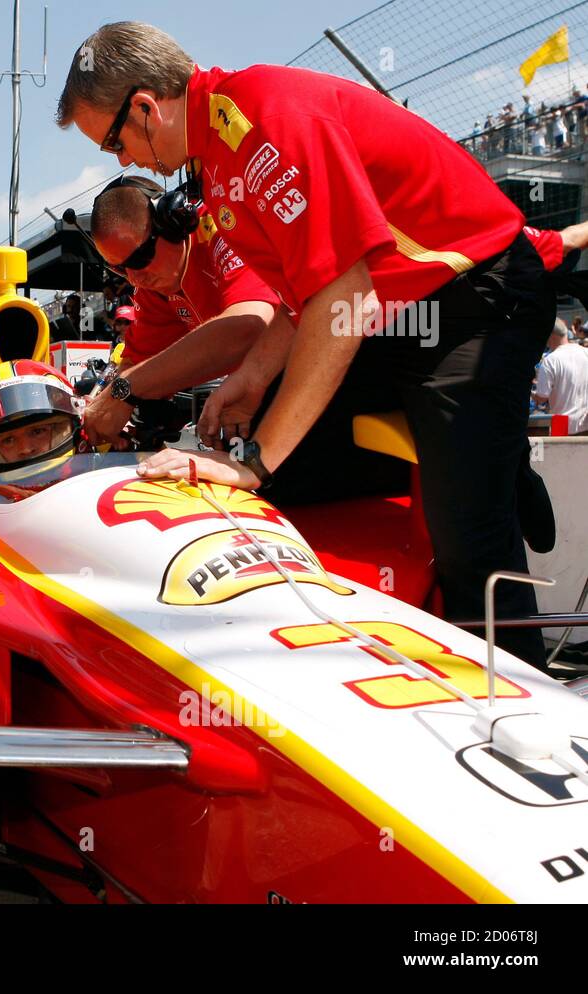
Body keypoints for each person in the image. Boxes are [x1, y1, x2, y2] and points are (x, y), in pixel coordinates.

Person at [56, 21, 554, 666]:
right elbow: (301, 300)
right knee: (286, 473)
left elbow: (343, 301)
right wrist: (254, 380)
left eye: (115, 143)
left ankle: (518, 705)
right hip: (396, 310)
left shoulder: (267, 117)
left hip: (480, 294)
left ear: (147, 106)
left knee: (470, 536)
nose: (125, 162)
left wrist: (253, 462)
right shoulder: (220, 156)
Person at [81, 175, 281, 447]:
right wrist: (101, 408)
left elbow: (250, 326)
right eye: (119, 269)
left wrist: (126, 389)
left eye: (141, 258)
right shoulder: (155, 288)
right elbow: (135, 362)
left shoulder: (220, 226)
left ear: (173, 222)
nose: (134, 278)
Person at [0, 359, 87, 498]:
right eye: (8, 440)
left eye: (37, 431)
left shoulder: (92, 460)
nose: (26, 449)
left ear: (63, 428)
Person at [534, 321, 588, 434]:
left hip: (561, 423)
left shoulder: (550, 360)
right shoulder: (585, 352)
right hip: (585, 423)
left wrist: (531, 392)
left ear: (552, 335)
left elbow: (542, 397)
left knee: (558, 450)